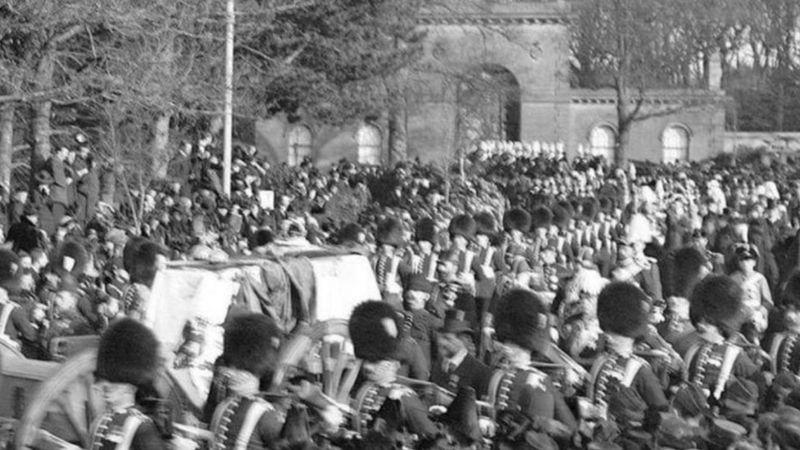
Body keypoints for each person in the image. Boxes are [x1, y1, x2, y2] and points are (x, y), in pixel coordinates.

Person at [488, 288, 577, 447]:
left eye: (513, 344)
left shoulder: (540, 380)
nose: (507, 348)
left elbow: (568, 428)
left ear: (525, 344)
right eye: (506, 342)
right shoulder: (498, 375)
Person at [348, 300, 442, 447]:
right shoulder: (362, 388)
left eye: (374, 361)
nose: (367, 367)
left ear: (392, 363)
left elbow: (434, 439)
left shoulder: (405, 399)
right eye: (366, 360)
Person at [88, 318, 170, 449]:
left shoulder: (140, 426)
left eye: (114, 383)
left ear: (130, 388)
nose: (105, 387)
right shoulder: (104, 419)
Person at [431, 309, 492, 398]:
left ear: (464, 340)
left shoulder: (481, 372)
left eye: (448, 339)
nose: (442, 343)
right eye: (441, 337)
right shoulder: (438, 364)